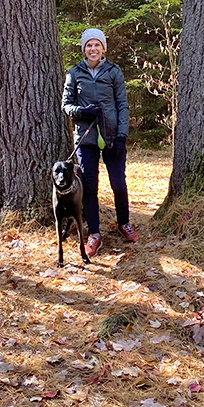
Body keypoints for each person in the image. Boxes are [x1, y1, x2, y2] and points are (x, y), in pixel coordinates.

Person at [62, 28, 140, 257]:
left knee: (118, 184)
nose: (93, 49)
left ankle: (124, 223)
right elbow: (66, 104)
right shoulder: (74, 73)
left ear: (103, 48)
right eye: (89, 45)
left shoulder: (114, 72)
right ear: (84, 49)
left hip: (112, 136)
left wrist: (121, 136)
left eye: (97, 45)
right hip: (85, 138)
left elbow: (123, 105)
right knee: (89, 186)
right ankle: (94, 233)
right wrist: (81, 111)